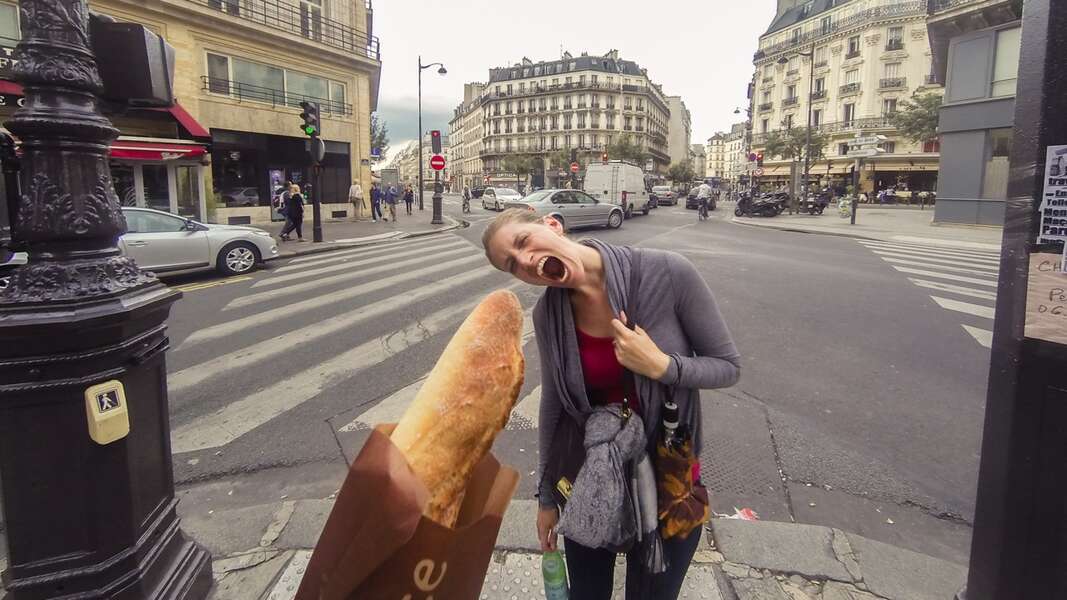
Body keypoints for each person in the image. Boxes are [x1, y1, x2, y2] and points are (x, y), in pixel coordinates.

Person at [481, 209, 741, 600]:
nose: (526, 261)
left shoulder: (667, 273)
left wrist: (662, 366)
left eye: (523, 242)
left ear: (552, 224)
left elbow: (727, 367)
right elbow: (554, 404)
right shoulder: (548, 314)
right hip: (590, 476)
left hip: (668, 479)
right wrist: (547, 497)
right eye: (512, 265)